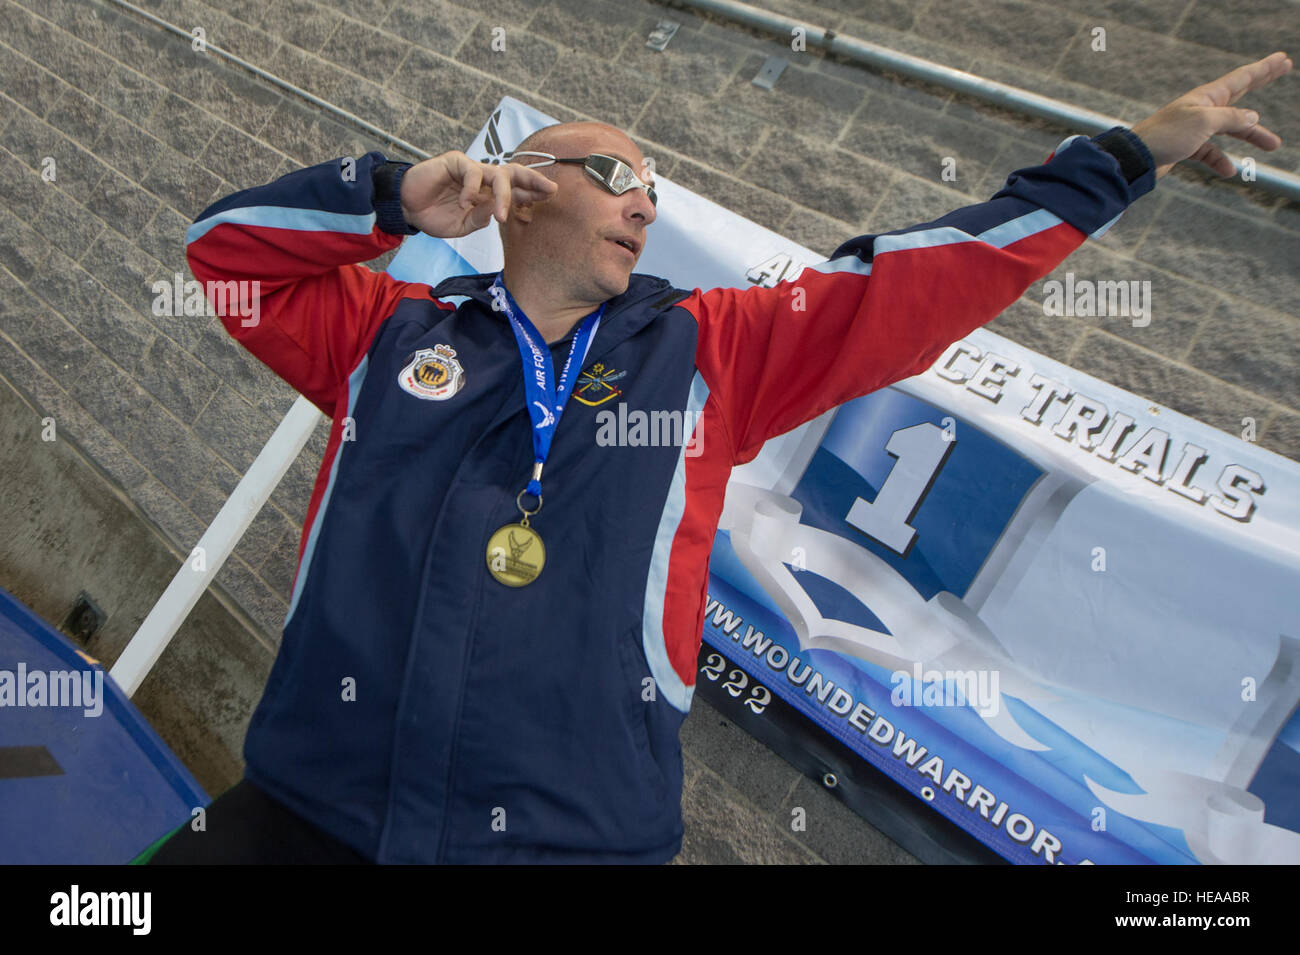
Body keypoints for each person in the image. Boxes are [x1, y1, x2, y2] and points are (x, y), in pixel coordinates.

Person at [148, 52, 1292, 864]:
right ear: (523, 186)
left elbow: (921, 277)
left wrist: (1128, 155)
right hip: (304, 814)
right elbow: (221, 254)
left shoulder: (710, 349)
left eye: (655, 192)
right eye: (616, 178)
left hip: (570, 842)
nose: (646, 204)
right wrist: (391, 197)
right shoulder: (388, 334)